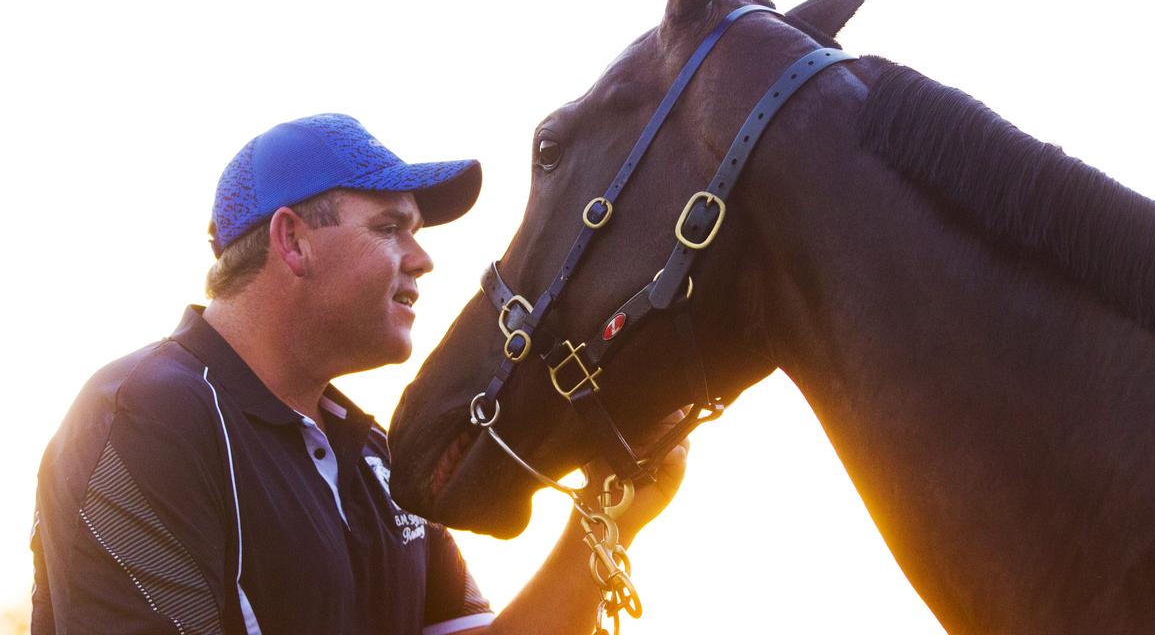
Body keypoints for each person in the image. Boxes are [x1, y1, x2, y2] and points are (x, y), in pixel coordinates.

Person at [31, 113, 687, 635]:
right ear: (293, 241)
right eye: (390, 227)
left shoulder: (378, 453)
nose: (422, 258)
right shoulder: (146, 418)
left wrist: (612, 518)